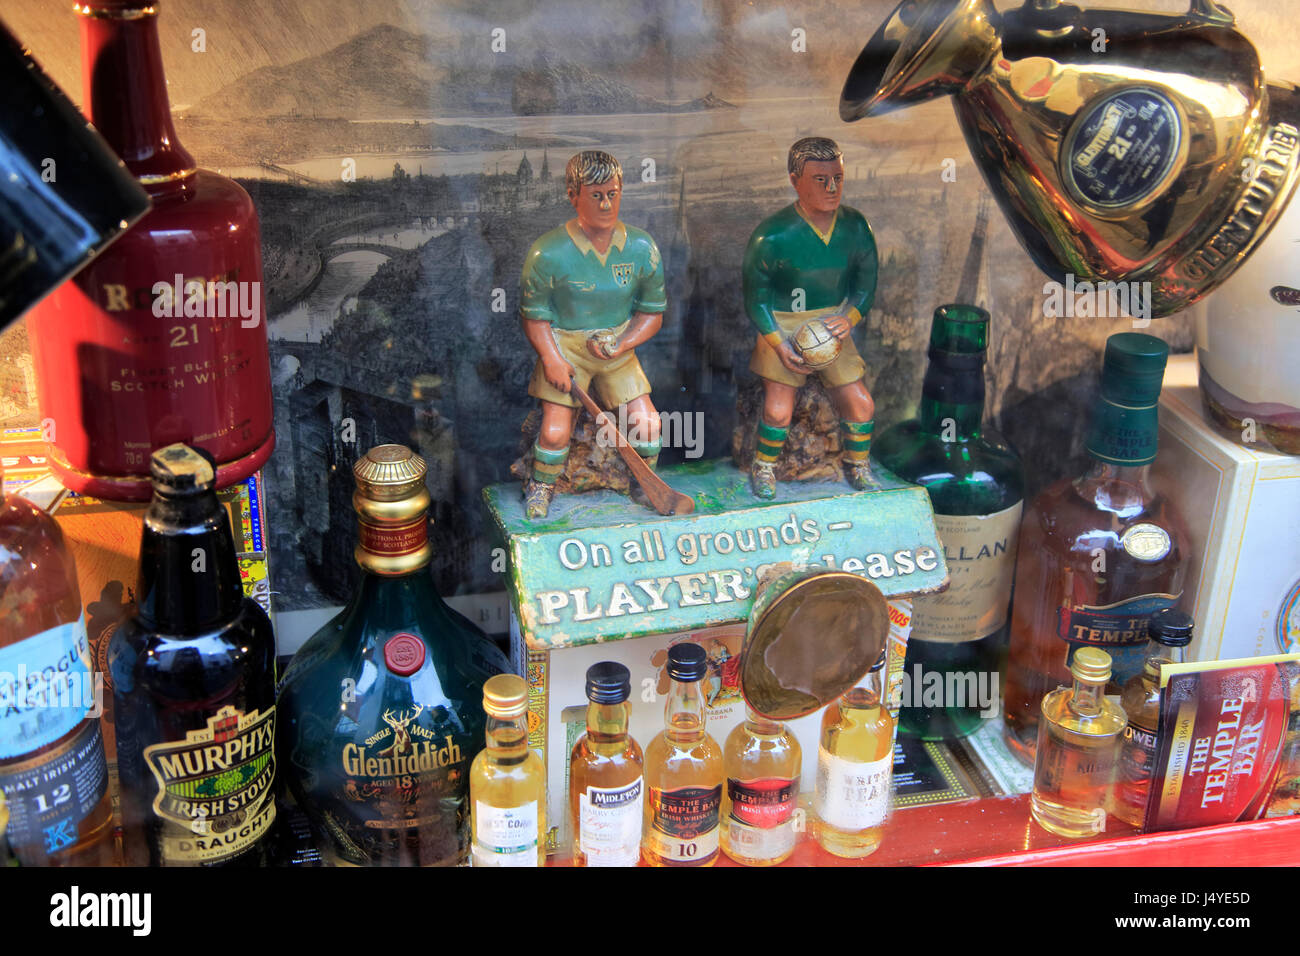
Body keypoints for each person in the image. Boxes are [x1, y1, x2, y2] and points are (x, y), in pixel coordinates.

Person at [519, 150, 667, 518]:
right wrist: (551, 359)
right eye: (596, 194)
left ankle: (645, 481)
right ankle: (542, 485)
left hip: (616, 347)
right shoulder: (547, 252)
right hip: (565, 346)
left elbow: (652, 313)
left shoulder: (640, 247)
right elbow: (535, 317)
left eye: (613, 194)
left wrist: (624, 343)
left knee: (648, 424)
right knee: (554, 432)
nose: (606, 203)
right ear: (573, 195)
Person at [742, 136, 879, 499]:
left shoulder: (856, 228)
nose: (832, 187)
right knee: (777, 410)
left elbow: (866, 287)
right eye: (821, 179)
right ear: (794, 179)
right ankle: (764, 466)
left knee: (861, 404)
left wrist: (848, 318)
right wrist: (777, 343)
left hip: (832, 325)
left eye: (838, 177)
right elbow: (756, 301)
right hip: (783, 325)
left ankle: (858, 464)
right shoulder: (771, 236)